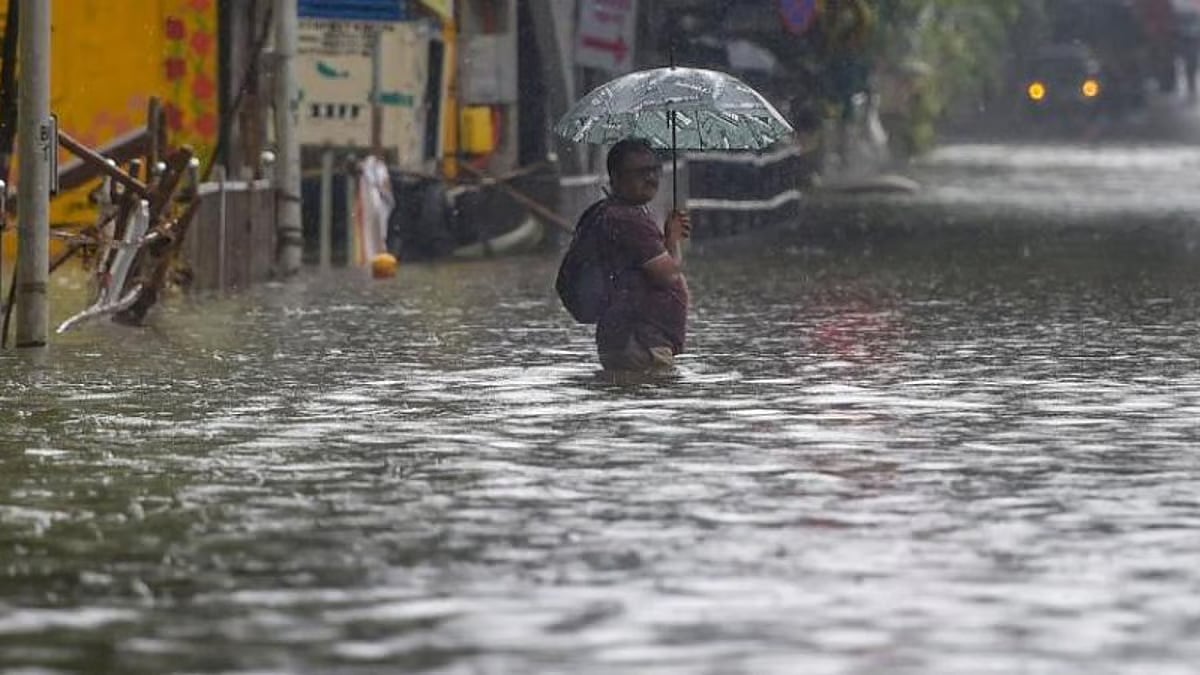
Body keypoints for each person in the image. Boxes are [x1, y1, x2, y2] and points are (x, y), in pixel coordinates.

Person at [588, 138, 692, 373]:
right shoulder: (628, 220)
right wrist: (674, 241)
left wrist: (667, 237)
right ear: (616, 177)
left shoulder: (618, 214)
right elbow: (666, 275)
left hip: (628, 339)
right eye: (640, 172)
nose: (651, 179)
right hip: (640, 343)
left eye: (655, 170)